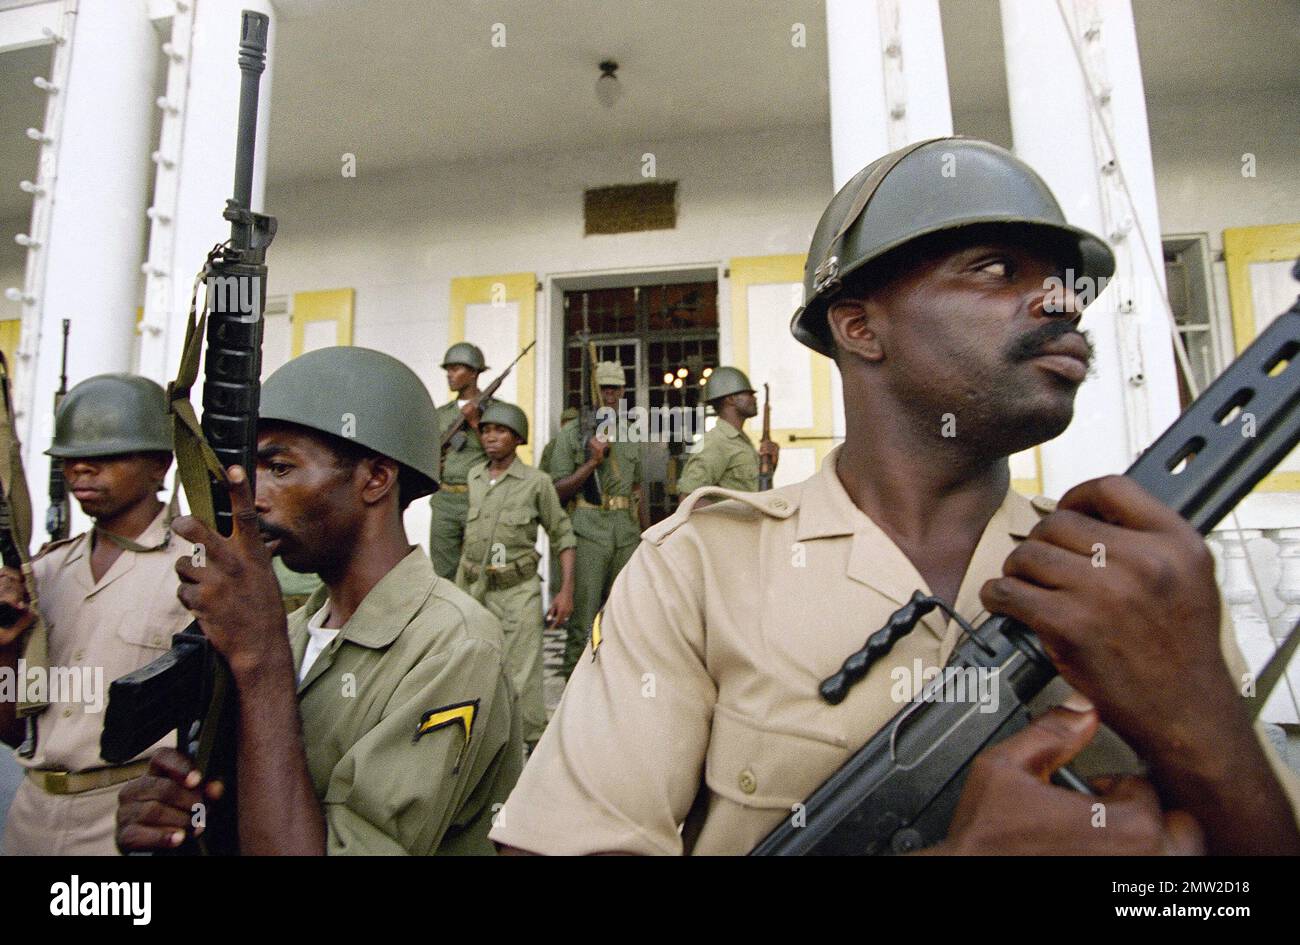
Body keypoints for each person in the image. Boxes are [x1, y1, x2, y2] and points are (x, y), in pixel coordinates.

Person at [490, 137, 1300, 855]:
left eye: (1067, 285)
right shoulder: (700, 568)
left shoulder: (1136, 575)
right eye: (994, 269)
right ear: (860, 327)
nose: (1062, 302)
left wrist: (1210, 728)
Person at [115, 346, 521, 855]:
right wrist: (187, 820)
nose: (255, 497)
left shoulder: (454, 647)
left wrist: (261, 663)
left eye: (280, 468)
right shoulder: (294, 632)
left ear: (375, 478)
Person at [0, 374, 189, 855]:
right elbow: (14, 727)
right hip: (31, 814)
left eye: (106, 455)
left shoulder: (195, 568)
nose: (81, 468)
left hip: (129, 817)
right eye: (71, 458)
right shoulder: (42, 573)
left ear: (159, 466)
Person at [455, 402, 576, 749]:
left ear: (517, 438)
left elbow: (563, 535)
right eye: (486, 430)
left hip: (517, 590)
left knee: (522, 678)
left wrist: (565, 591)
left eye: (501, 431)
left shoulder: (536, 483)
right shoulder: (474, 477)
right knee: (471, 666)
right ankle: (478, 742)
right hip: (473, 587)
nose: (491, 437)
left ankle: (532, 746)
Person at [547, 361, 649, 678]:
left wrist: (647, 534)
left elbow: (637, 488)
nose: (609, 394)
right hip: (589, 530)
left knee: (626, 610)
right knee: (585, 614)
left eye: (615, 388)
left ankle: (619, 677)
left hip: (626, 532)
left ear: (622, 391)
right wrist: (592, 462)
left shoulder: (631, 432)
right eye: (603, 387)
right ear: (594, 390)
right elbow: (556, 490)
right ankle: (574, 685)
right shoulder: (574, 433)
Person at [429, 342, 514, 579]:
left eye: (456, 369)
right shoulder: (442, 414)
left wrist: (477, 423)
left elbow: (500, 454)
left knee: (478, 570)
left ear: (474, 372)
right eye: (448, 370)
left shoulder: (497, 412)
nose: (450, 375)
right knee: (443, 572)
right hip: (444, 499)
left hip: (478, 498)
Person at [676, 366, 779, 502]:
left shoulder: (738, 439)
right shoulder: (715, 442)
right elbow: (688, 498)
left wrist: (771, 464)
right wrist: (728, 521)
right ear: (730, 399)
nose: (754, 399)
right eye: (749, 394)